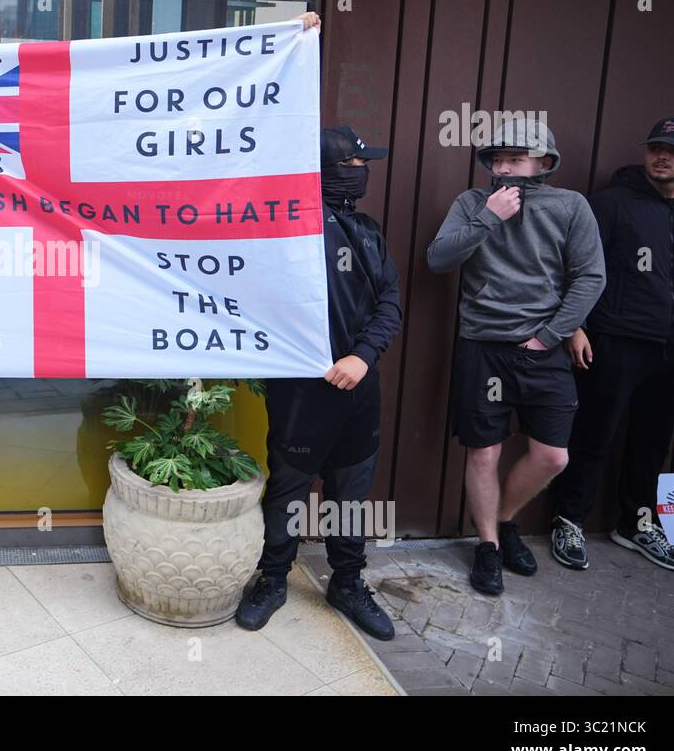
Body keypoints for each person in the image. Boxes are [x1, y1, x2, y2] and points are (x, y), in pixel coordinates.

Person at [236, 125, 401, 641]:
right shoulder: (290, 231)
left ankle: (348, 582)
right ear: (330, 172)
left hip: (359, 388)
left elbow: (390, 301)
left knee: (349, 492)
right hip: (303, 392)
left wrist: (363, 356)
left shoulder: (368, 229)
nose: (363, 171)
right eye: (354, 165)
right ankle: (273, 579)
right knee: (288, 487)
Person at [427, 119, 605, 595]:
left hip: (541, 349)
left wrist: (553, 335)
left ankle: (506, 522)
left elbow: (589, 277)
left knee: (552, 456)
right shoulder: (471, 203)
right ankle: (487, 546)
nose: (504, 167)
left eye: (516, 158)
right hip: (482, 345)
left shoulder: (571, 206)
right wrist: (490, 216)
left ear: (544, 163)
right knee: (484, 451)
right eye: (498, 159)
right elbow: (439, 258)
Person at [550, 116, 674, 573]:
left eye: (673, 149)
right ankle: (569, 520)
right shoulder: (611, 204)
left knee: (652, 441)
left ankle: (634, 524)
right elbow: (571, 267)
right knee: (594, 433)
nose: (662, 156)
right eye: (655, 147)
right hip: (615, 341)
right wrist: (575, 328)